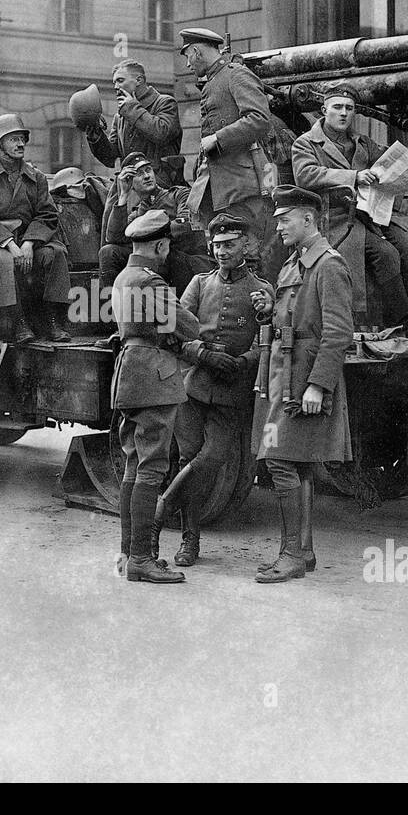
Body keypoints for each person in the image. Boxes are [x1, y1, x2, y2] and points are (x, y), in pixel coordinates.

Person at [251, 186, 354, 583]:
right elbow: (291, 316)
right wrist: (270, 310)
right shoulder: (294, 265)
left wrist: (319, 386)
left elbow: (338, 332)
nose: (278, 228)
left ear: (308, 219)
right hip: (283, 374)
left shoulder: (328, 265)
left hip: (304, 380)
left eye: (285, 219)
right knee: (299, 464)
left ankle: (291, 553)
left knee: (279, 459)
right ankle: (303, 552)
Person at [157, 213, 272, 566]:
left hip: (231, 390)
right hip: (193, 387)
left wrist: (246, 361)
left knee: (213, 457)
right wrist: (203, 354)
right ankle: (190, 541)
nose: (222, 252)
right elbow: (173, 333)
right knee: (189, 458)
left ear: (245, 246)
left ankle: (161, 509)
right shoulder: (198, 284)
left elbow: (266, 339)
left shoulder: (261, 289)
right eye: (217, 246)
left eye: (230, 245)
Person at [110, 208, 201, 583]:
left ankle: (129, 553)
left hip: (131, 372)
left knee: (134, 466)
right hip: (154, 375)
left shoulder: (122, 277)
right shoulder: (152, 284)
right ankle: (141, 560)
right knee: (152, 468)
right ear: (161, 245)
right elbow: (189, 326)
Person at [291, 87, 408, 328]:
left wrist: (404, 170)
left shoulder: (362, 142)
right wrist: (353, 176)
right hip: (332, 219)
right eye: (337, 107)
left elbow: (384, 161)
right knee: (387, 254)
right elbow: (305, 175)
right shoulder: (306, 143)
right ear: (324, 110)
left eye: (349, 108)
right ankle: (405, 320)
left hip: (366, 216)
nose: (343, 114)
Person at [0, 113, 71, 343]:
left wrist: (30, 242)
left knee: (55, 254)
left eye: (22, 138)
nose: (20, 143)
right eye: (12, 139)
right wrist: (10, 244)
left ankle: (52, 319)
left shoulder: (36, 177)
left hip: (29, 237)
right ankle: (17, 320)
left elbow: (47, 214)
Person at [179, 28, 274, 269]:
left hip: (240, 188)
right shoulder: (215, 80)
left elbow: (259, 119)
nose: (189, 64)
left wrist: (218, 138)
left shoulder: (235, 75)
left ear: (196, 51)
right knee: (224, 259)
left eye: (188, 56)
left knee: (246, 256)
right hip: (221, 189)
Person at [98, 152, 210, 294]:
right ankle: (112, 310)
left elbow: (186, 225)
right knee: (108, 252)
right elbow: (115, 237)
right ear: (130, 183)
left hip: (187, 261)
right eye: (139, 174)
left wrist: (148, 235)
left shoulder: (179, 194)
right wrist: (123, 196)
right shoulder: (138, 211)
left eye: (148, 170)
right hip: (159, 261)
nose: (147, 176)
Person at [80, 58, 183, 187]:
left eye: (120, 81)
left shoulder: (165, 103)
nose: (116, 87)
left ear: (139, 80)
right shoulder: (121, 116)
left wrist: (131, 108)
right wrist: (96, 137)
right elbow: (110, 158)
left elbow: (162, 133)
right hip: (131, 186)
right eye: (114, 82)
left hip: (161, 186)